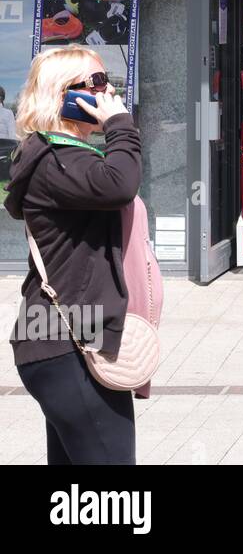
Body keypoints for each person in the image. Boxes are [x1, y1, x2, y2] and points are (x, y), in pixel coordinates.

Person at [5, 47, 140, 465]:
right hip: (64, 340)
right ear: (63, 96)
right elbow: (120, 184)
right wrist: (120, 125)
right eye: (96, 84)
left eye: (109, 82)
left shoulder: (64, 156)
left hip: (69, 336)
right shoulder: (54, 158)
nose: (109, 93)